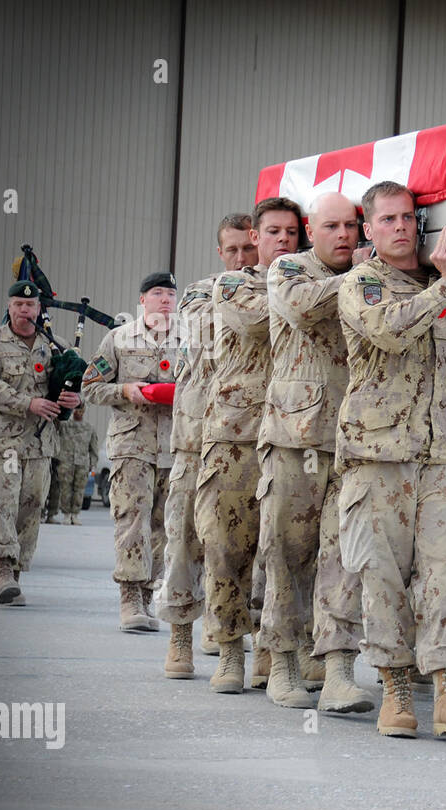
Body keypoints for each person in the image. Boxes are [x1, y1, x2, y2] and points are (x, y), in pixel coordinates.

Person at [335, 180, 446, 738]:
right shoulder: (363, 284)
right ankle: (395, 691)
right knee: (383, 575)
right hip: (378, 456)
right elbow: (389, 333)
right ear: (369, 229)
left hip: (441, 453)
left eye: (409, 218)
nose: (401, 227)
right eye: (388, 220)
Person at [256, 192, 371, 712]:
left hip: (353, 442)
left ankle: (338, 670)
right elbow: (304, 308)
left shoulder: (372, 274)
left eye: (351, 225)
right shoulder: (288, 269)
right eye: (332, 226)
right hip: (293, 438)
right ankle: (281, 660)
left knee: (345, 558)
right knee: (287, 555)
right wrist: (363, 277)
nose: (344, 235)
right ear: (310, 228)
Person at [197, 197, 302, 693]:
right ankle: (228, 649)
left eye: (292, 232)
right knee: (226, 548)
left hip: (289, 433)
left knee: (282, 550)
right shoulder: (233, 284)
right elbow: (260, 321)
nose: (284, 239)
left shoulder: (311, 283)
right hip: (235, 433)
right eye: (273, 232)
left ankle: (276, 655)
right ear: (255, 238)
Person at [158, 213, 257, 679]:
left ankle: (224, 628)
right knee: (183, 539)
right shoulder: (202, 291)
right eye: (232, 250)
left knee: (234, 543)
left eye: (247, 249)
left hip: (242, 436)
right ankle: (180, 637)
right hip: (194, 441)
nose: (241, 257)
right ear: (220, 252)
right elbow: (211, 326)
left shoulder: (270, 289)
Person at [0, 281, 79, 605]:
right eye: (18, 304)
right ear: (9, 306)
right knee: (2, 503)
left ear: (39, 309)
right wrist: (26, 403)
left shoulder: (54, 346)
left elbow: (66, 388)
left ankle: (16, 572)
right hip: (4, 443)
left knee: (31, 507)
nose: (23, 310)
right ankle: (2, 571)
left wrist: (71, 398)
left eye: (29, 306)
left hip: (39, 445)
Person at [82, 272, 180, 632]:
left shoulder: (188, 340)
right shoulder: (120, 339)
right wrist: (124, 390)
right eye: (157, 293)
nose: (165, 299)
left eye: (170, 293)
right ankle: (130, 597)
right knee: (132, 519)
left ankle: (150, 592)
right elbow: (91, 387)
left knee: (163, 525)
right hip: (132, 444)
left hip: (173, 445)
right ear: (143, 300)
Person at [54, 406, 97, 525]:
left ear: (84, 412)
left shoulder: (89, 428)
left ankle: (75, 514)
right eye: (76, 410)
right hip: (66, 462)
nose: (78, 412)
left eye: (81, 410)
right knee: (65, 489)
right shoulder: (65, 426)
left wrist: (93, 464)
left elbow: (93, 449)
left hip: (82, 463)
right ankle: (66, 515)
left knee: (79, 490)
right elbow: (56, 428)